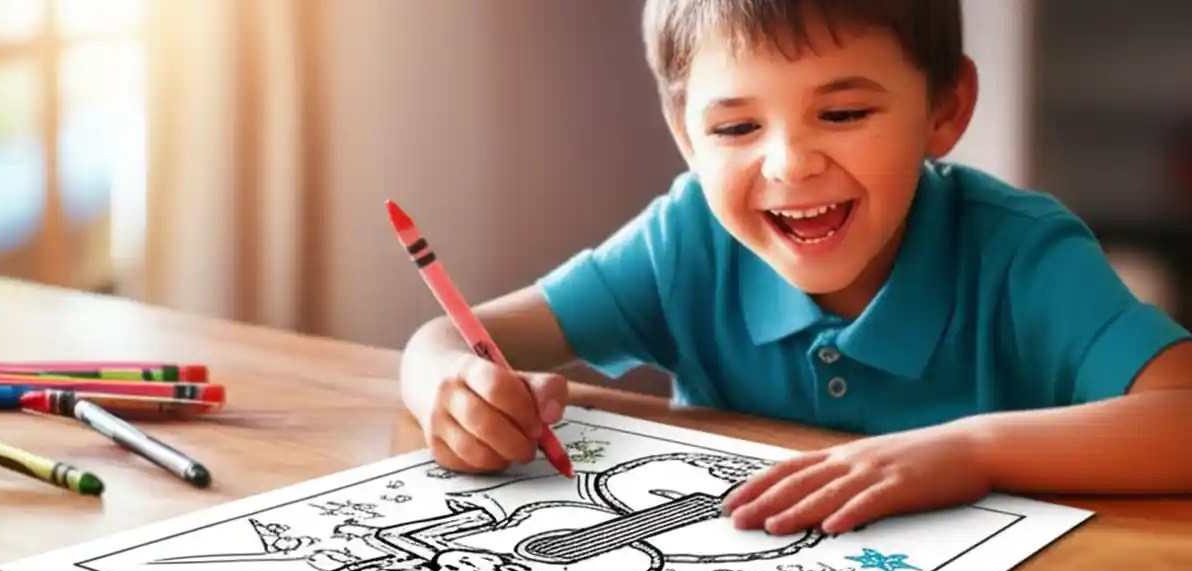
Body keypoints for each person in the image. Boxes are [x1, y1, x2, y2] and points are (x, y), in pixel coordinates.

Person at [399, 0, 1192, 537]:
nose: (790, 163)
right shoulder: (686, 240)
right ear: (686, 134)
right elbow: (458, 335)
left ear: (945, 109)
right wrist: (447, 384)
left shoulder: (1018, 254)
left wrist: (970, 452)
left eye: (843, 113)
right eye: (737, 125)